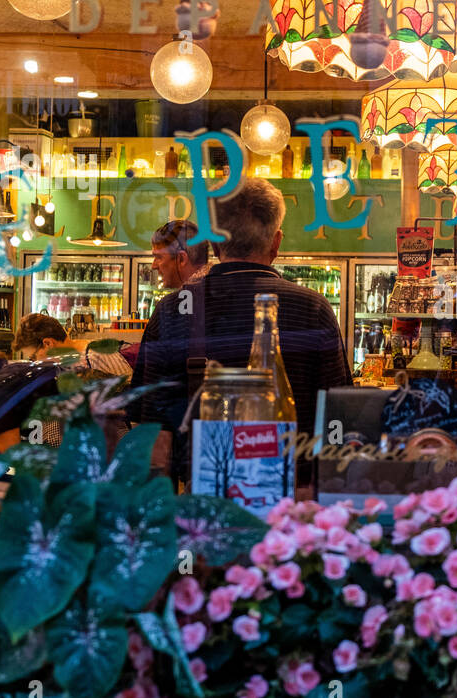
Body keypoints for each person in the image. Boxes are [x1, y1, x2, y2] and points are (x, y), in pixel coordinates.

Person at [137, 178, 351, 479]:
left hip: (204, 499)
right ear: (276, 242)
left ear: (213, 243)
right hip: (290, 502)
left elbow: (153, 431)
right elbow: (337, 420)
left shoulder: (173, 310)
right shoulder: (314, 308)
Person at [0, 313, 133, 452]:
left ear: (48, 344)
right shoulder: (64, 364)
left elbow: (126, 402)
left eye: (33, 357)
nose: (35, 363)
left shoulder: (96, 357)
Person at [128, 220, 210, 420]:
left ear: (181, 259)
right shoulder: (232, 297)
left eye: (158, 257)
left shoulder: (169, 308)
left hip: (179, 436)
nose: (154, 266)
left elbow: (149, 393)